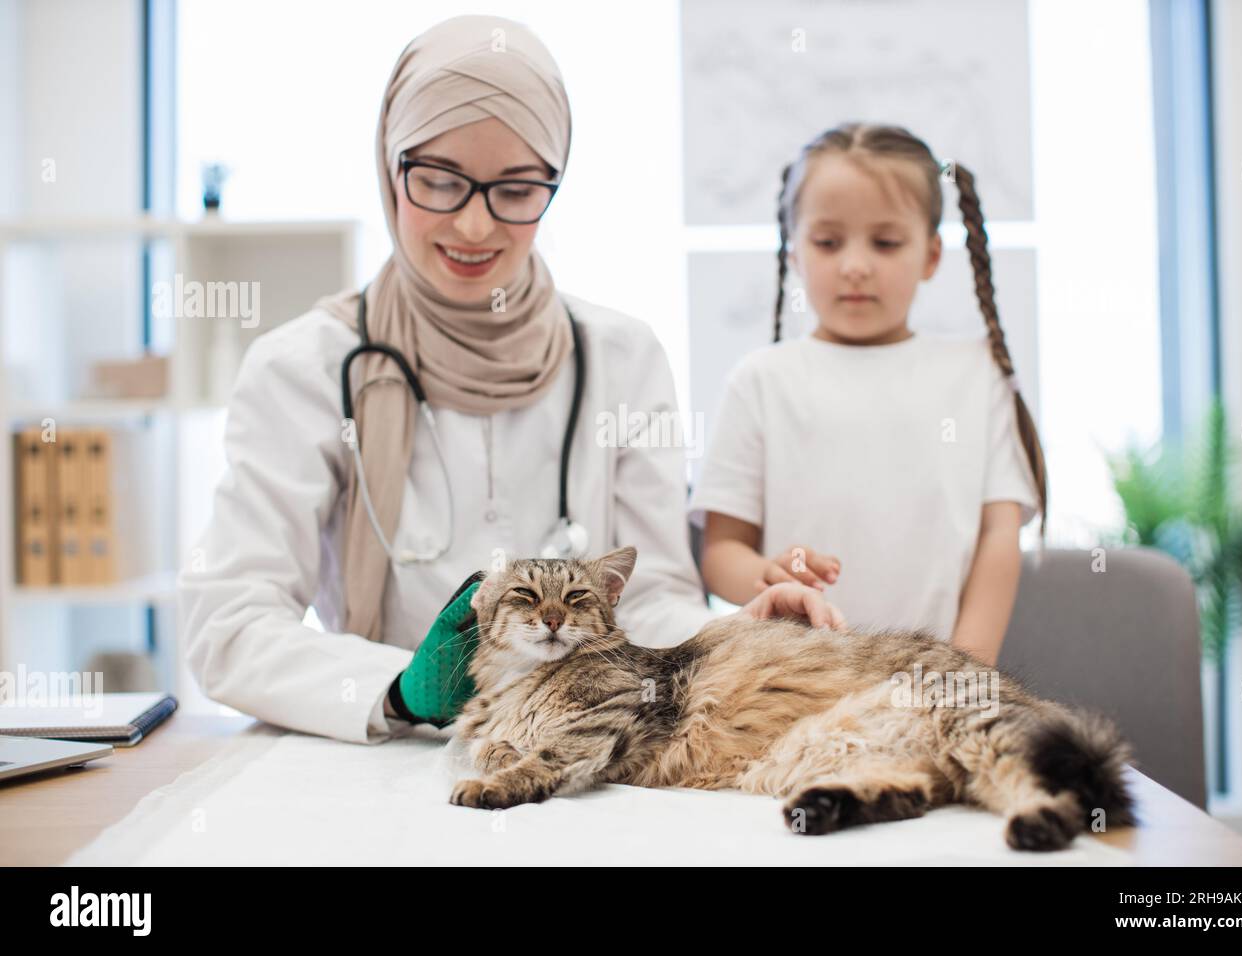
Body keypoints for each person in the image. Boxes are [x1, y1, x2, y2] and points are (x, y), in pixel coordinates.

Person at [180, 15, 842, 746]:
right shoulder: (304, 369)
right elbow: (229, 623)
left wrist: (734, 636)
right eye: (438, 181)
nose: (473, 226)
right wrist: (396, 692)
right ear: (387, 167)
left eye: (517, 190)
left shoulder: (623, 358)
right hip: (386, 756)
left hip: (584, 755)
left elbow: (651, 601)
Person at [690, 123, 1047, 666]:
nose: (855, 265)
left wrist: (965, 673)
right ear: (793, 253)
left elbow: (999, 538)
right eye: (828, 242)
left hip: (936, 689)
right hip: (799, 689)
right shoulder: (761, 380)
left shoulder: (976, 376)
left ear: (931, 255)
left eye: (885, 242)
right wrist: (763, 574)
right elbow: (721, 551)